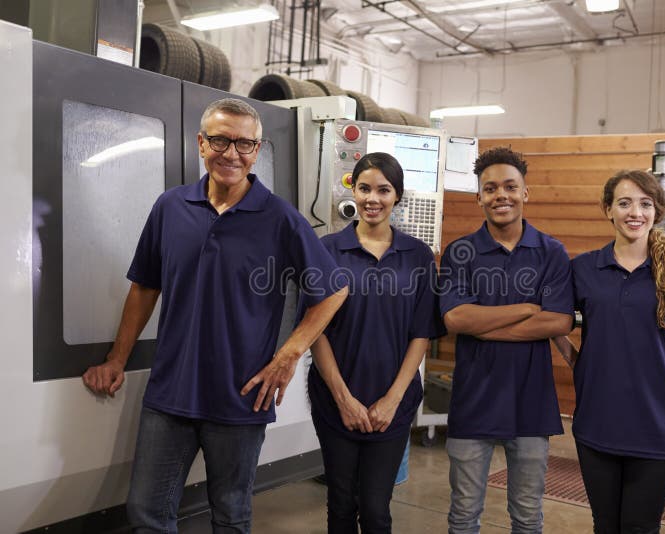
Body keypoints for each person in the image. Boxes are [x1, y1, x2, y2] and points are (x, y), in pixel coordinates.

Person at [82, 98, 347, 533]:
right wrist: (116, 358)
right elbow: (145, 286)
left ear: (256, 150)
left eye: (245, 143)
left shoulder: (279, 217)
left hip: (241, 396)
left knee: (230, 515)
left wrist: (290, 353)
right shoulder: (171, 207)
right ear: (201, 144)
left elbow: (334, 289)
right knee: (147, 513)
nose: (232, 153)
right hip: (170, 393)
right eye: (221, 140)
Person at [554, 169, 665, 534]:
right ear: (608, 209)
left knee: (641, 527)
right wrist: (577, 360)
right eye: (624, 203)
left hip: (657, 431)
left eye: (644, 204)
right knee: (605, 525)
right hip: (597, 425)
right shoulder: (582, 269)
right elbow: (554, 322)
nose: (634, 213)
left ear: (656, 211)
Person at [300, 152, 444, 533]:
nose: (372, 199)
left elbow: (421, 332)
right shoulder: (327, 250)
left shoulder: (417, 255)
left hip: (392, 405)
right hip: (336, 401)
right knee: (341, 504)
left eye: (384, 190)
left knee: (377, 510)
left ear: (397, 196)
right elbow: (316, 331)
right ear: (353, 191)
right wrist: (343, 399)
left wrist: (393, 399)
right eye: (364, 188)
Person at [438, 146, 574, 534]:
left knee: (528, 517)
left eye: (510, 187)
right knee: (463, 517)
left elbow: (560, 321)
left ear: (525, 193)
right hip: (473, 400)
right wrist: (529, 308)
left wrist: (484, 322)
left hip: (531, 403)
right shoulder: (459, 252)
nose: (501, 195)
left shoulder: (551, 252)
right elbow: (456, 318)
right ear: (479, 196)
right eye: (490, 188)